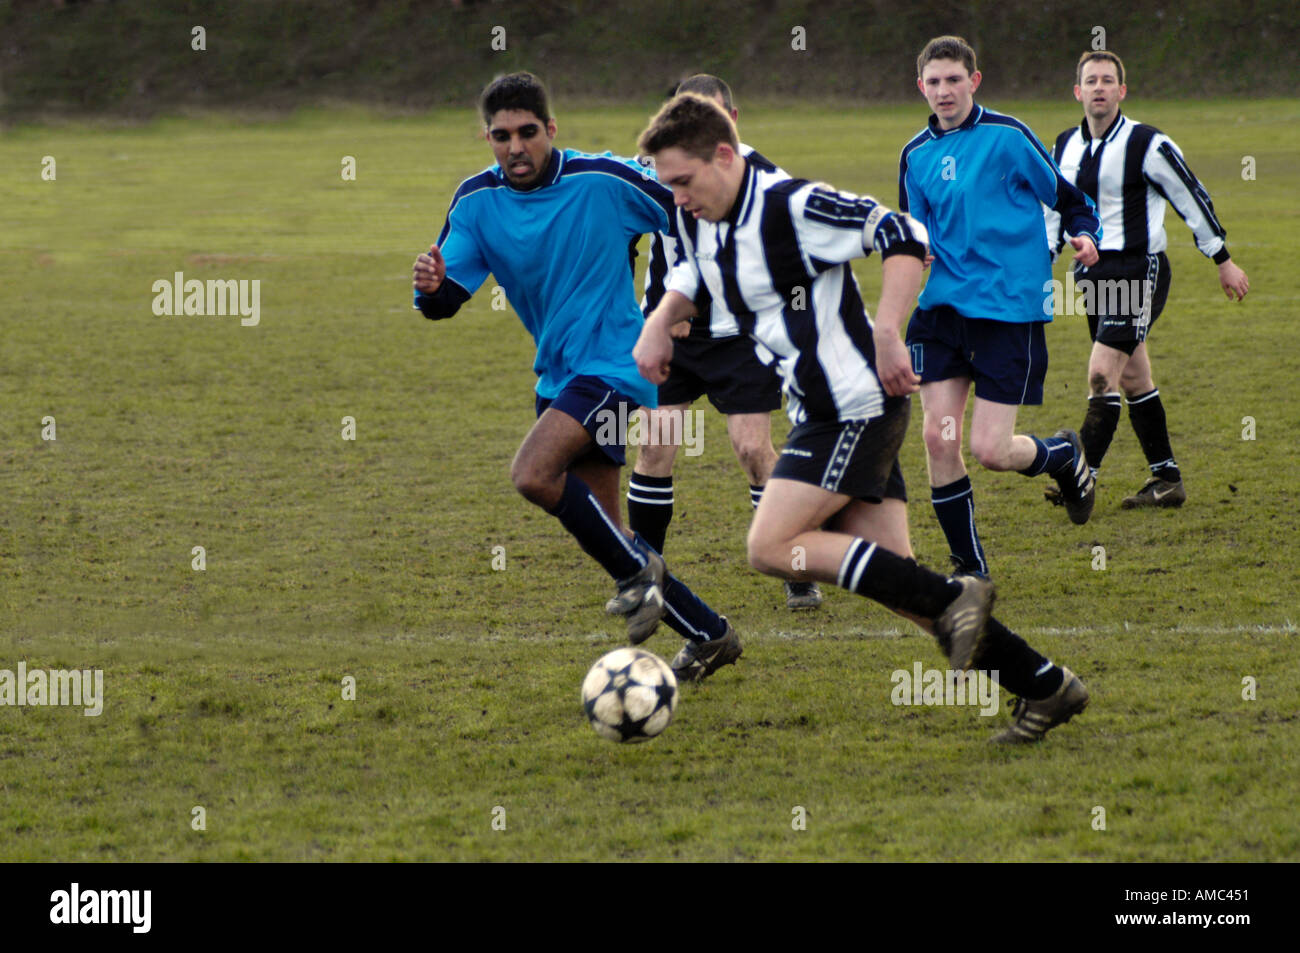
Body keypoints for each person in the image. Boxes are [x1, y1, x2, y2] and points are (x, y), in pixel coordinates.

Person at [633, 92, 1090, 743]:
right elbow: (695, 274)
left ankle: (960, 596)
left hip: (851, 409)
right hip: (826, 409)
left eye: (682, 181)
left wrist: (886, 330)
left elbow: (902, 233)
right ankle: (1045, 684)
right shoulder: (712, 218)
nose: (676, 198)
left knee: (769, 546)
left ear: (724, 156)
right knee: (905, 586)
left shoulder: (790, 205)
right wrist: (658, 323)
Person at [412, 72, 741, 682]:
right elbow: (446, 297)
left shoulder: (603, 179)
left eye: (528, 132)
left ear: (551, 129)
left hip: (618, 365)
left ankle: (640, 574)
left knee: (533, 474)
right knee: (612, 536)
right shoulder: (476, 202)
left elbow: (695, 205)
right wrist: (432, 288)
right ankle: (710, 634)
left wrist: (688, 293)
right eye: (502, 136)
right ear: (487, 138)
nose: (516, 147)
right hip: (560, 377)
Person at [898, 36, 1103, 579]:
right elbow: (914, 232)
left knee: (991, 450)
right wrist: (915, 248)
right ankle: (971, 571)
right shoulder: (915, 155)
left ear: (974, 81)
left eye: (953, 79)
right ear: (921, 87)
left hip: (1007, 310)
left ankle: (1062, 456)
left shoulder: (1008, 137)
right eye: (934, 82)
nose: (944, 90)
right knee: (937, 438)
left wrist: (1085, 235)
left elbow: (1071, 200)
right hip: (942, 314)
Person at [629, 74, 823, 611]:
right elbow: (616, 235)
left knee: (752, 449)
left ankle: (793, 560)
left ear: (732, 121)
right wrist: (654, 316)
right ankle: (642, 575)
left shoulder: (767, 179)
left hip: (741, 334)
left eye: (710, 118)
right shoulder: (648, 171)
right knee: (655, 445)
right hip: (671, 334)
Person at [1043, 50, 1250, 510]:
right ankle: (1167, 480)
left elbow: (1190, 196)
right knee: (1134, 377)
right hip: (1092, 276)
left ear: (1121, 90)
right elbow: (1055, 211)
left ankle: (1081, 478)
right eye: (1091, 81)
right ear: (1077, 92)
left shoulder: (1148, 143)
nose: (1099, 87)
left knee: (1101, 374)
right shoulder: (1064, 145)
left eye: (1107, 80)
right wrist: (1042, 259)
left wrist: (1222, 258)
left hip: (1139, 271)